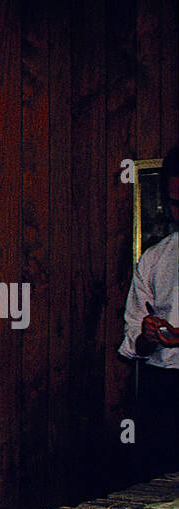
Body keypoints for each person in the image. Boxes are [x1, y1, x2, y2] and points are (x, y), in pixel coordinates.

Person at [119, 144, 179, 481]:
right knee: (154, 489)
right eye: (174, 204)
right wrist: (148, 336)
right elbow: (133, 346)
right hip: (164, 391)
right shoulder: (156, 259)